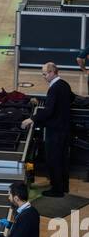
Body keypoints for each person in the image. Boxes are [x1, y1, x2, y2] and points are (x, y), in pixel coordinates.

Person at [35, 61, 73, 199]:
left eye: (45, 74)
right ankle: (64, 186)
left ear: (52, 72)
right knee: (63, 159)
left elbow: (49, 111)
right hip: (65, 129)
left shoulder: (54, 88)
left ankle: (56, 190)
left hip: (55, 131)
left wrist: (33, 118)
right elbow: (72, 98)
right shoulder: (65, 85)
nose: (43, 77)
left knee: (53, 159)